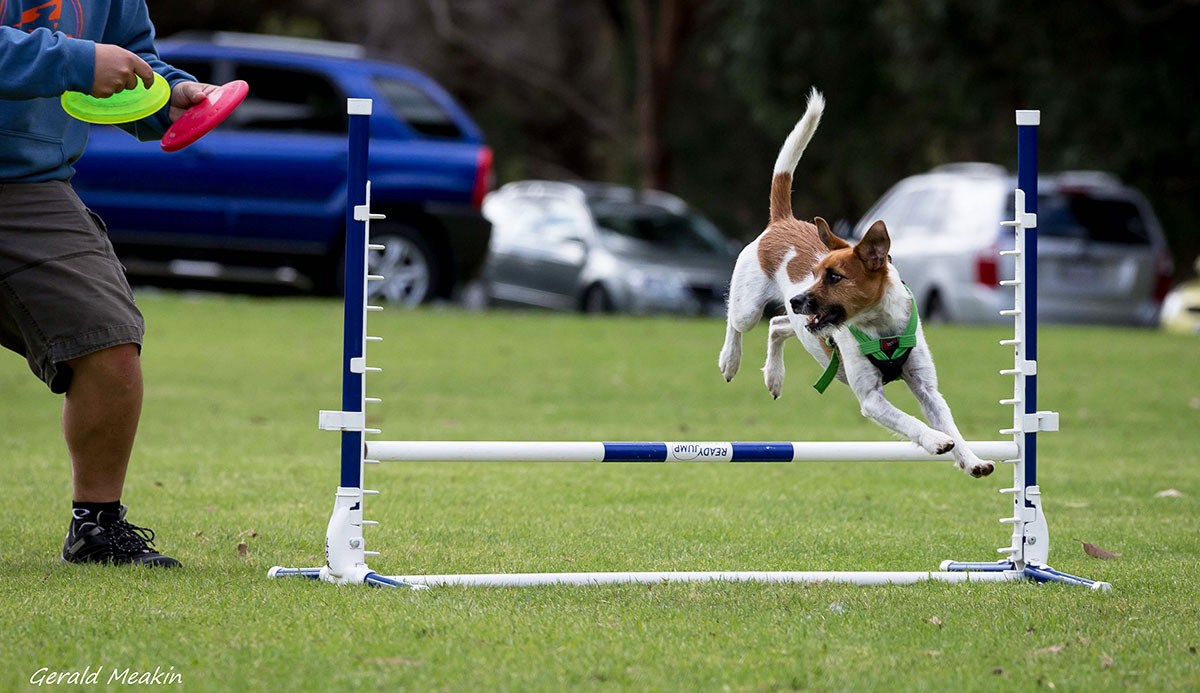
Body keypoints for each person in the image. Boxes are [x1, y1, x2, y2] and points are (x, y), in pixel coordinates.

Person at [1, 1, 219, 567]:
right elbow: (84, 62)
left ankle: (95, 529)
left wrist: (167, 93)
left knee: (110, 344)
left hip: (28, 187)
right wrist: (74, 61)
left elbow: (128, 58)